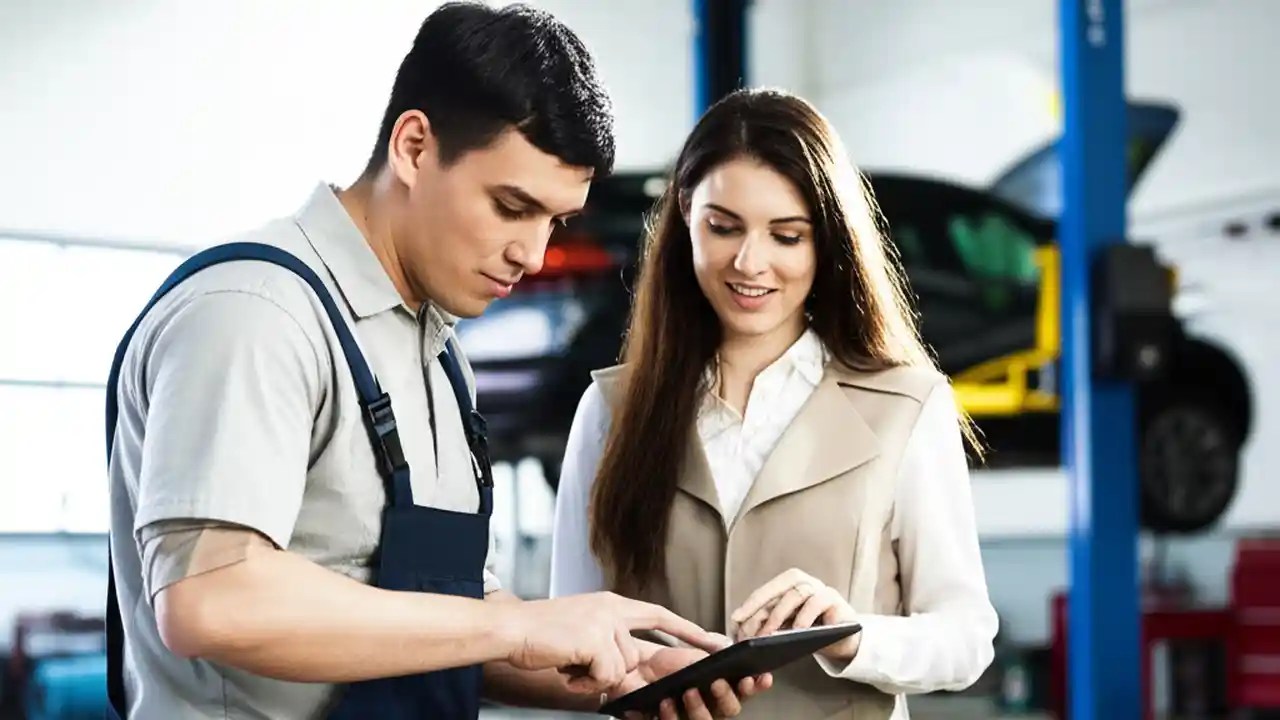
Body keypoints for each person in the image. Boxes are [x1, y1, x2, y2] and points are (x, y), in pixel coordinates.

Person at [104, 4, 770, 719]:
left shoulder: (441, 352)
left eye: (555, 221)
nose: (533, 254)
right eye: (511, 206)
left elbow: (444, 625)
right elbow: (212, 600)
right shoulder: (256, 314)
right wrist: (517, 625)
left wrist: (619, 677)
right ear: (415, 147)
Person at [549, 88, 999, 719]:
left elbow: (965, 635)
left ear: (826, 243)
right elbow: (571, 631)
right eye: (723, 227)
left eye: (786, 236)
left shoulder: (906, 404)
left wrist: (854, 636)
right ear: (684, 217)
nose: (750, 262)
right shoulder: (611, 410)